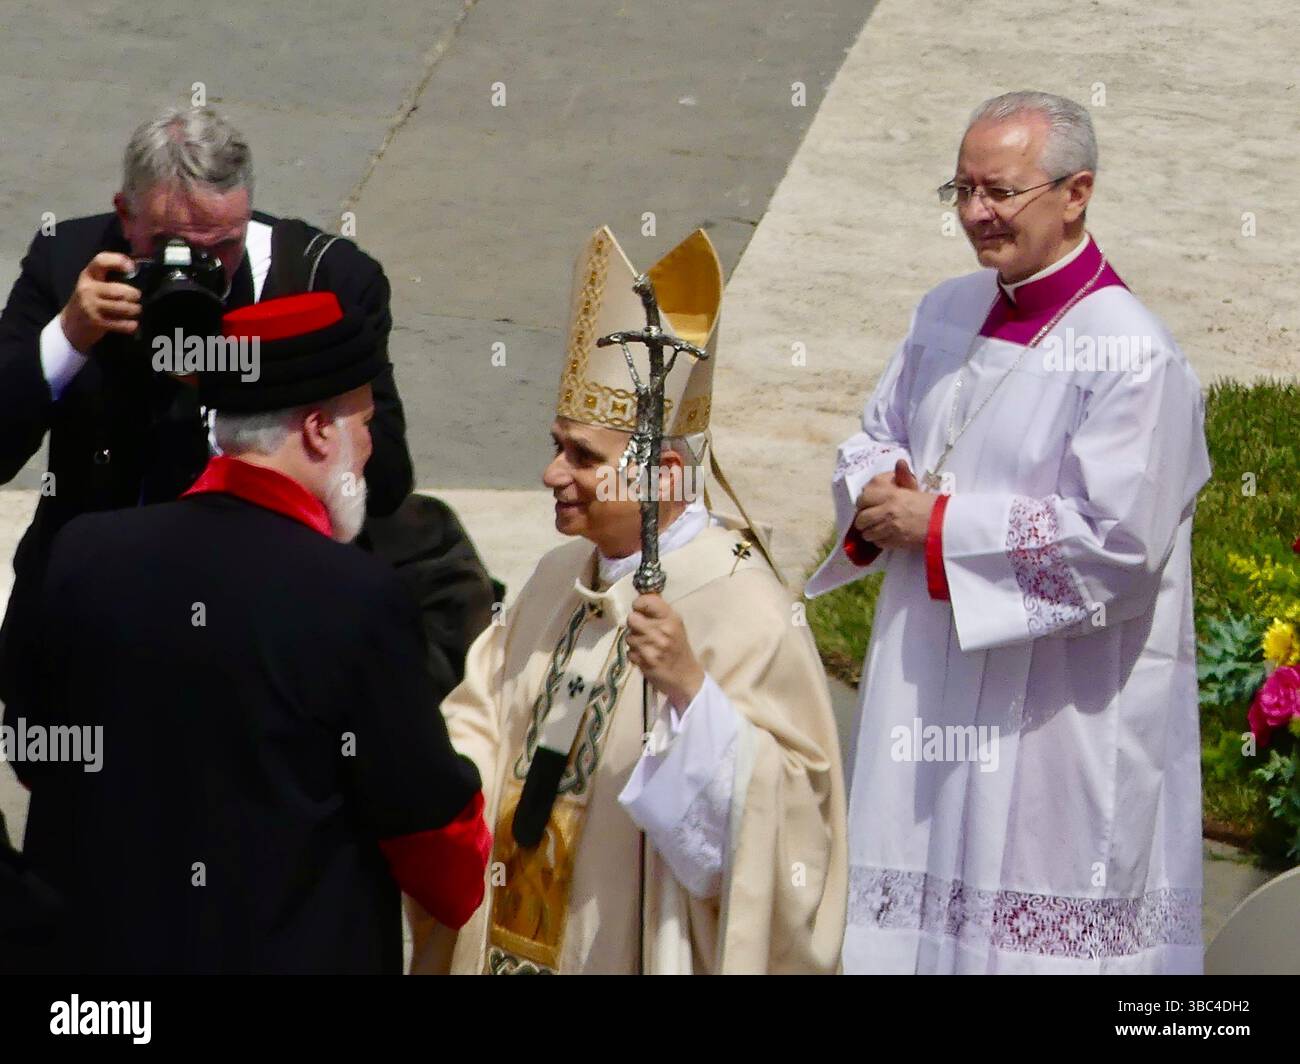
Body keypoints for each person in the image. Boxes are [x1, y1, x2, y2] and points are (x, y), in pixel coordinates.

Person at [806, 91, 1210, 974]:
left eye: (1000, 191)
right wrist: (873, 486)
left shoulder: (1133, 354)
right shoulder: (946, 310)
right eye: (961, 190)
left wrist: (941, 525)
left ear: (1077, 193)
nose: (976, 214)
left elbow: (1120, 545)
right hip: (933, 680)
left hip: (1058, 711)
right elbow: (877, 428)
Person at [4, 292, 489, 974]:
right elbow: (440, 848)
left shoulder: (83, 556)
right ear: (319, 431)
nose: (369, 447)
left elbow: (32, 751)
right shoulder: (356, 597)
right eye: (364, 423)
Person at [408, 226, 847, 975]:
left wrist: (689, 692)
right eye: (557, 445)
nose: (552, 474)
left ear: (666, 472)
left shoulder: (747, 611)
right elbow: (478, 724)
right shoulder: (555, 577)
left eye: (583, 457)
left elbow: (797, 835)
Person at [0, 105, 414, 704]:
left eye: (223, 246)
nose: (201, 267)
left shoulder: (326, 286)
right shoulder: (69, 263)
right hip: (91, 639)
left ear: (246, 214)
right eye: (171, 248)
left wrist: (240, 384)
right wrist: (66, 339)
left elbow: (389, 476)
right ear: (125, 215)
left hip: (262, 640)